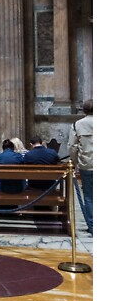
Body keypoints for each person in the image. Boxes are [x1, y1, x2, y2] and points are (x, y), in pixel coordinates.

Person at [68, 99, 93, 233]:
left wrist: (74, 162)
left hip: (87, 164)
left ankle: (92, 226)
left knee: (89, 196)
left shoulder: (78, 124)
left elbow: (72, 147)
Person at [0, 138, 26, 206]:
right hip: (17, 186)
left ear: (3, 148)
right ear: (13, 148)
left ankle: (1, 209)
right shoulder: (18, 156)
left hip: (2, 186)